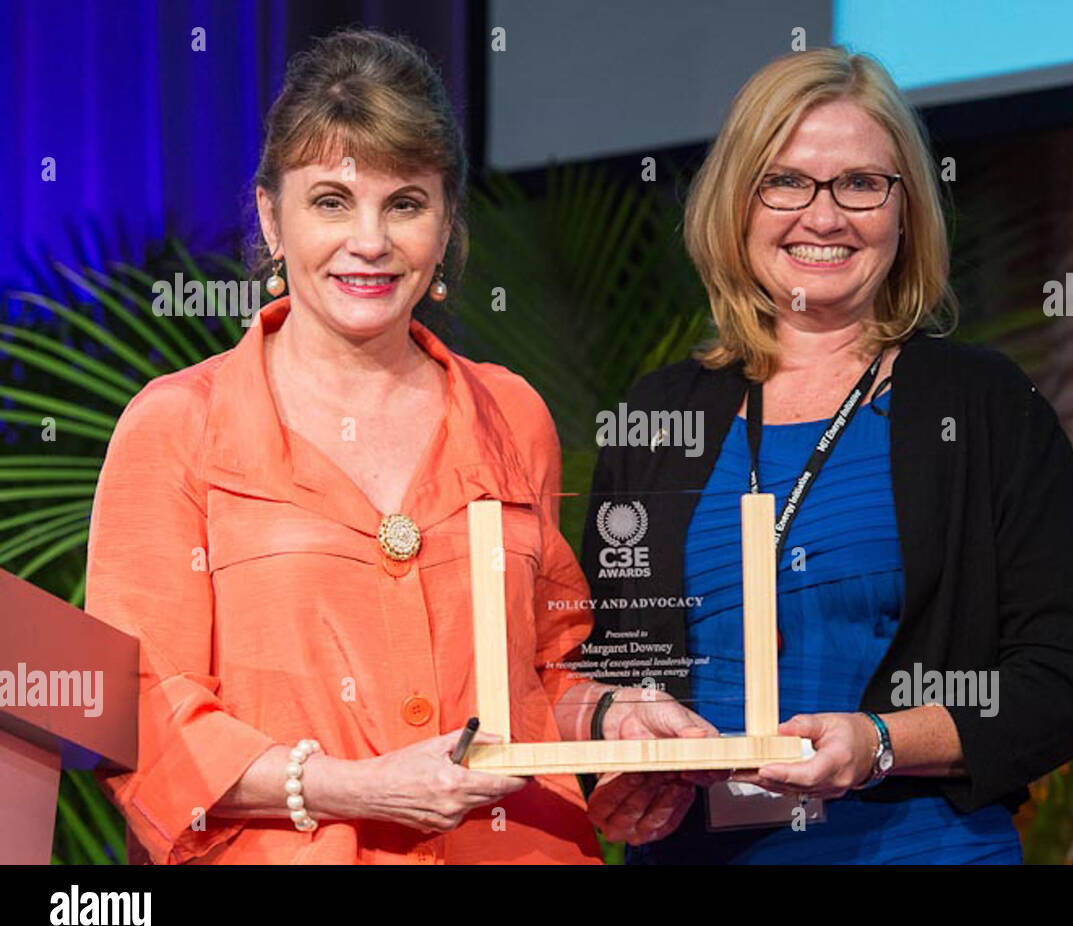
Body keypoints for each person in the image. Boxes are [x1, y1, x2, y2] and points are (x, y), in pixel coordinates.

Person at [86, 28, 704, 865]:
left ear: (447, 221)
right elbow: (140, 713)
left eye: (405, 203)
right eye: (331, 200)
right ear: (271, 215)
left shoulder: (511, 414)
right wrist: (352, 787)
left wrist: (608, 717)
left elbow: (538, 677)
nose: (370, 240)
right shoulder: (176, 427)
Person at [579, 48, 1073, 864]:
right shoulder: (658, 415)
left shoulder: (985, 406)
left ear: (906, 212)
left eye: (861, 184)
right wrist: (618, 748)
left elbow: (1065, 682)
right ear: (737, 204)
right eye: (785, 181)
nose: (823, 217)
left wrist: (881, 740)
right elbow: (597, 666)